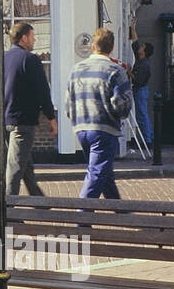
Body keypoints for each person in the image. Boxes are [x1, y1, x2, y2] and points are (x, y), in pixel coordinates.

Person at [65, 27, 132, 199]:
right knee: (97, 173)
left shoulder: (76, 69)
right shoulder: (116, 71)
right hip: (104, 128)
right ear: (112, 47)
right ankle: (81, 217)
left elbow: (68, 102)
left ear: (93, 46)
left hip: (81, 127)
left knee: (104, 171)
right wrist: (121, 116)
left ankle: (119, 209)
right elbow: (121, 104)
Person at [4, 22, 58, 195]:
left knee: (23, 162)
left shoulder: (3, 58)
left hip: (5, 119)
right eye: (33, 36)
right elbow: (43, 90)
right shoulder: (31, 59)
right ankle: (8, 209)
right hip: (23, 122)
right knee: (15, 168)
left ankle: (38, 199)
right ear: (24, 38)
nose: (35, 40)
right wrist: (51, 117)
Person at [128, 19, 155, 147]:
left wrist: (128, 71)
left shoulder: (144, 65)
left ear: (144, 51)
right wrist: (133, 27)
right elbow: (135, 42)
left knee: (142, 114)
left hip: (141, 90)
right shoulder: (140, 58)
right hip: (140, 90)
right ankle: (148, 137)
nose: (140, 47)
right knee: (142, 114)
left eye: (142, 47)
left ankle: (148, 139)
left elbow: (137, 80)